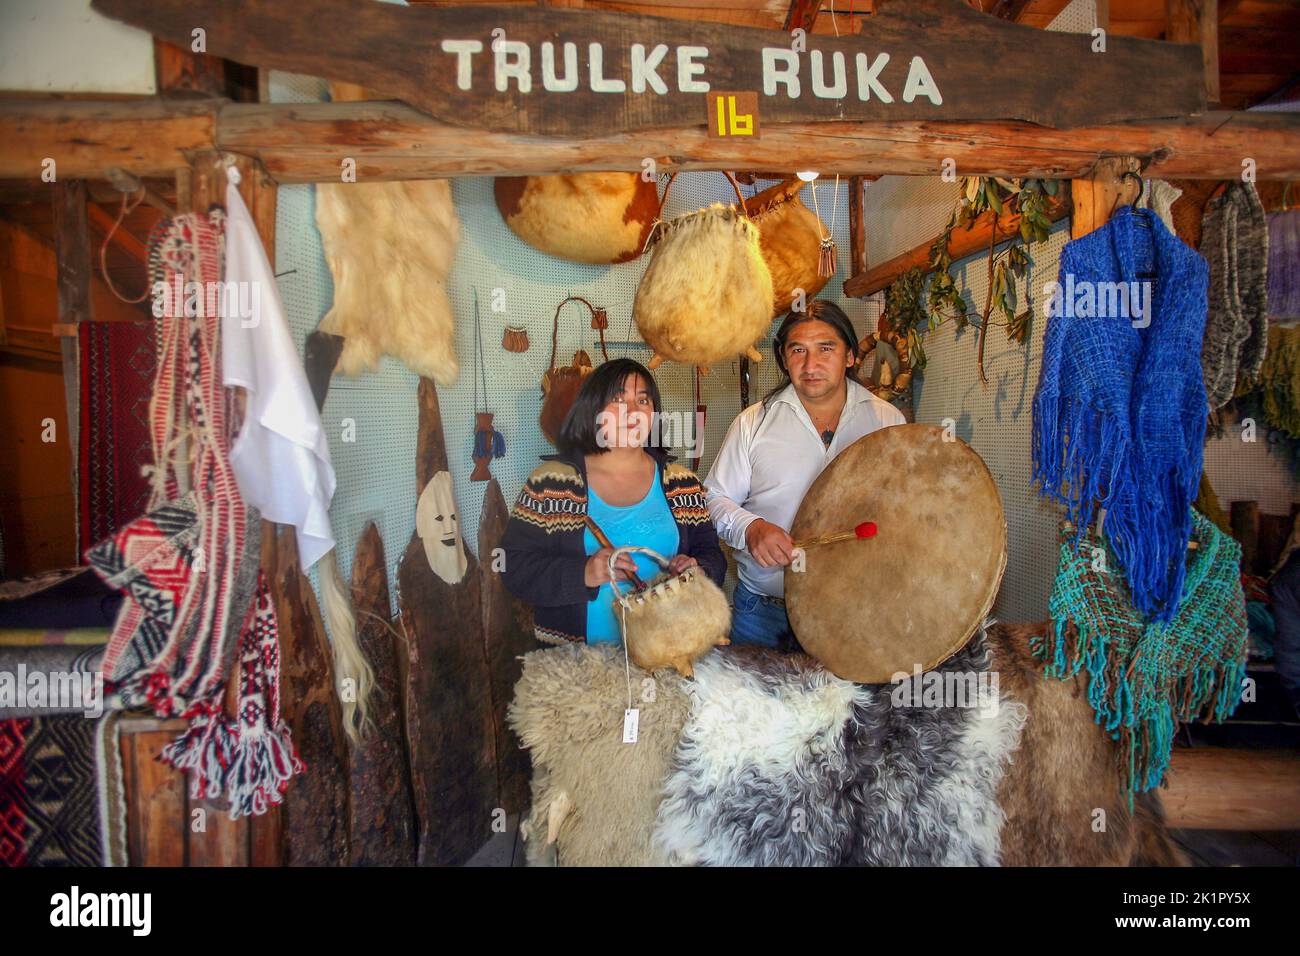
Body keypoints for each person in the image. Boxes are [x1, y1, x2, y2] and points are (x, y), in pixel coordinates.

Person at [704, 300, 906, 650]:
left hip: (859, 613)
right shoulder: (752, 423)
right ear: (784, 359)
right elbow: (714, 499)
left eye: (826, 348)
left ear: (849, 356)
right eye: (798, 350)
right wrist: (751, 528)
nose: (811, 365)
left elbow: (905, 510)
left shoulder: (887, 422)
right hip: (765, 616)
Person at [501, 358, 726, 646]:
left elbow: (712, 555)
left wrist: (699, 570)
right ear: (593, 410)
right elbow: (513, 566)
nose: (632, 412)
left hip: (666, 653)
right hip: (575, 661)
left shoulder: (682, 484)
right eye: (618, 400)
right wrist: (584, 574)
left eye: (643, 400)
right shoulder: (552, 484)